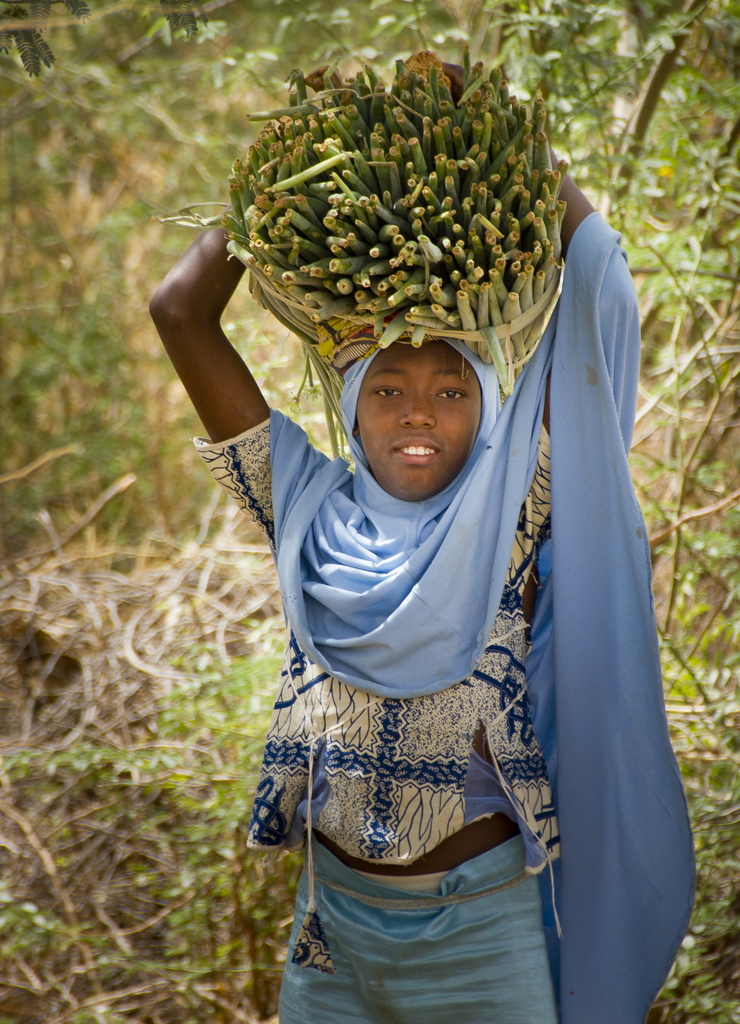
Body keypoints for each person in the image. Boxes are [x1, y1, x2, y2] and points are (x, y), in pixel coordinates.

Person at [150, 65, 694, 1024]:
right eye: (388, 388)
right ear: (350, 409)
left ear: (487, 407)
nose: (419, 416)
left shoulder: (518, 506)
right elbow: (180, 309)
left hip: (482, 934)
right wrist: (286, 179)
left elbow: (599, 277)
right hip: (331, 938)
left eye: (452, 390)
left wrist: (505, 142)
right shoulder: (302, 508)